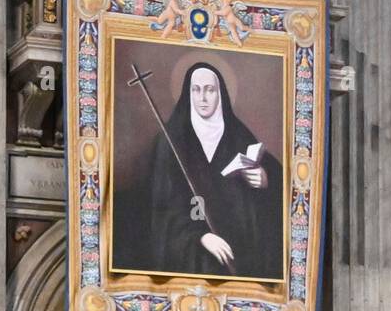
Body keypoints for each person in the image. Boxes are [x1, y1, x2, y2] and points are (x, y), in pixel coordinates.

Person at [115, 62, 284, 281]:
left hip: (239, 259)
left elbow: (284, 190)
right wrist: (199, 237)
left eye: (210, 90)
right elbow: (161, 210)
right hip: (187, 256)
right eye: (197, 90)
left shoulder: (239, 136)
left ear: (220, 93)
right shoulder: (170, 142)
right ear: (188, 93)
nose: (203, 97)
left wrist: (264, 179)